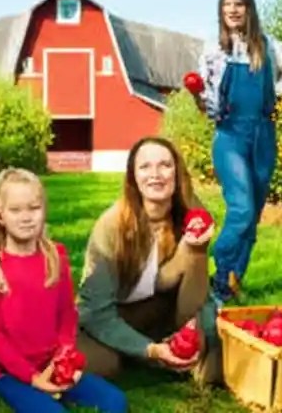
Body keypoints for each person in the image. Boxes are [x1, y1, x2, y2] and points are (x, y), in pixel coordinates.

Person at [0, 168, 128, 413]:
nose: (26, 217)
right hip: (5, 370)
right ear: (0, 215)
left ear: (44, 210)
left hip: (52, 362)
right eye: (15, 210)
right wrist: (33, 377)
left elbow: (67, 314)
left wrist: (63, 358)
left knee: (115, 401)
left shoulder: (56, 256)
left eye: (34, 208)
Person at [75, 137, 222, 384]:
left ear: (177, 172)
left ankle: (188, 351)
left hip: (165, 312)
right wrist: (148, 350)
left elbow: (200, 293)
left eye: (165, 165)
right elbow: (96, 312)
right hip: (114, 315)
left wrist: (210, 333)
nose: (156, 174)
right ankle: (148, 352)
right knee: (104, 364)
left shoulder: (191, 214)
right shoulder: (111, 226)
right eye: (145, 167)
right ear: (133, 177)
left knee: (214, 360)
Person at [191, 0, 282, 303]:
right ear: (221, 12)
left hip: (264, 135)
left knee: (252, 217)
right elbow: (209, 100)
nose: (233, 10)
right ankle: (215, 260)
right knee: (241, 208)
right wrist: (199, 99)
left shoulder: (267, 46)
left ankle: (229, 282)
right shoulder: (214, 50)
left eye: (239, 4)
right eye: (227, 5)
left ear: (249, 9)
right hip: (230, 135)